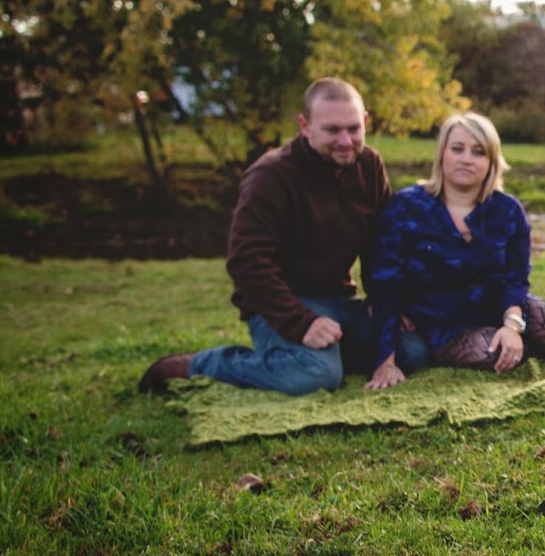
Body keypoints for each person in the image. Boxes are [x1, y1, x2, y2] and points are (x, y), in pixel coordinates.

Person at [137, 77, 391, 396]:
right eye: (332, 130)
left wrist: (383, 304)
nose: (345, 140)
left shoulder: (370, 166)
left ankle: (323, 356)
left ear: (365, 121)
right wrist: (302, 323)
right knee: (316, 375)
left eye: (354, 128)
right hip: (279, 303)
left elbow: (380, 247)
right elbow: (246, 263)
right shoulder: (271, 176)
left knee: (412, 350)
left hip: (340, 300)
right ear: (305, 125)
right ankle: (195, 365)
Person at [364, 113, 545, 389]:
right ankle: (517, 343)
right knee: (496, 353)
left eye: (478, 152)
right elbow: (386, 286)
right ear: (442, 154)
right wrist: (385, 362)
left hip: (499, 307)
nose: (466, 159)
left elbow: (515, 280)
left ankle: (519, 337)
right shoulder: (405, 208)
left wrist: (511, 326)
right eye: (457, 149)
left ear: (491, 161)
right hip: (442, 324)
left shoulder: (508, 210)